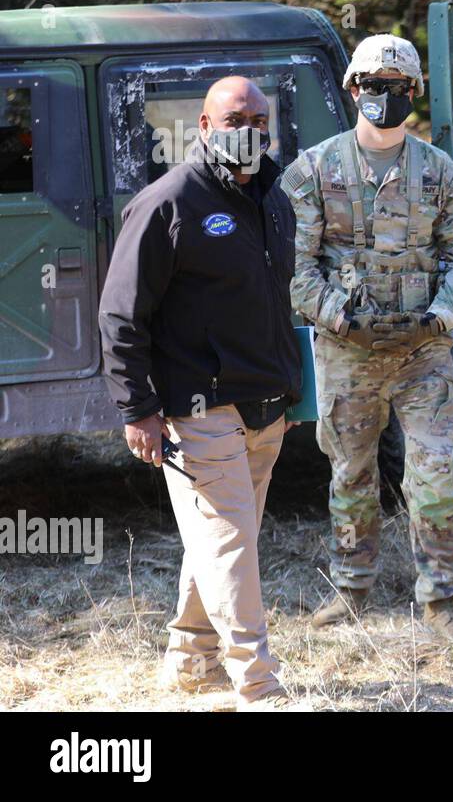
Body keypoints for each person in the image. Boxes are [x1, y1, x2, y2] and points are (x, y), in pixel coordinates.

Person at [99, 76, 302, 710]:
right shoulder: (168, 202)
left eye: (261, 119)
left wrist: (290, 393)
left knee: (221, 540)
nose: (251, 130)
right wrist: (138, 409)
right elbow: (121, 315)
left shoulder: (274, 195)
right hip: (196, 410)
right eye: (236, 118)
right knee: (232, 545)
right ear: (205, 127)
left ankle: (190, 661)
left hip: (265, 407)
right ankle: (258, 683)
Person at [280, 34, 453, 640]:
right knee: (351, 473)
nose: (384, 97)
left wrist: (441, 317)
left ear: (414, 94)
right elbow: (294, 264)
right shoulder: (314, 171)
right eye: (373, 86)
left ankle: (441, 602)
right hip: (347, 353)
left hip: (423, 353)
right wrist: (340, 316)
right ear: (352, 90)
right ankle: (351, 587)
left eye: (396, 89)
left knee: (435, 473)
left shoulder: (441, 173)